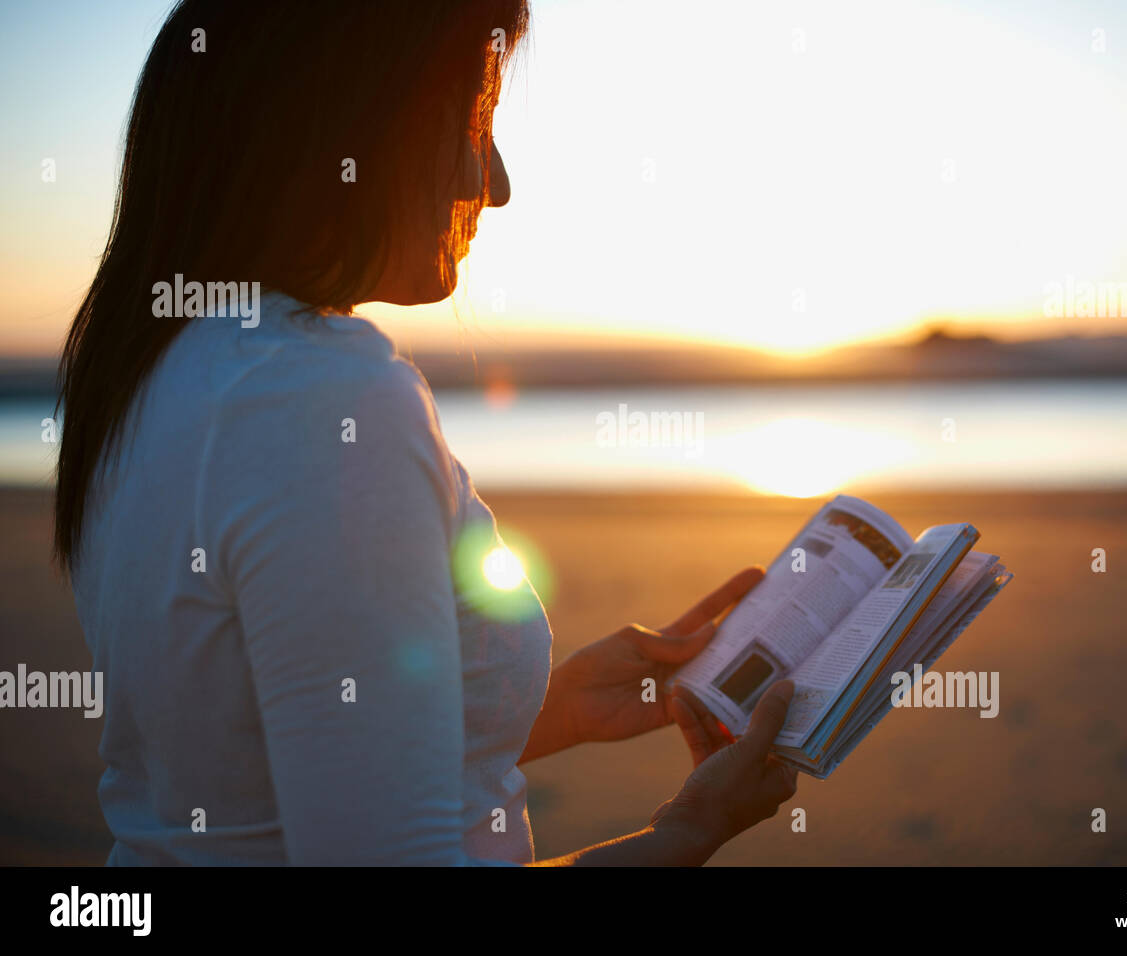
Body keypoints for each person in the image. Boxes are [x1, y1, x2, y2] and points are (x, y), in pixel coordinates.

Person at [54, 0, 797, 866]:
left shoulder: (157, 367)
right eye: (473, 122)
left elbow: (252, 769)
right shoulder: (321, 399)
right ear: (348, 125)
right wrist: (688, 830)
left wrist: (545, 710)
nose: (496, 181)